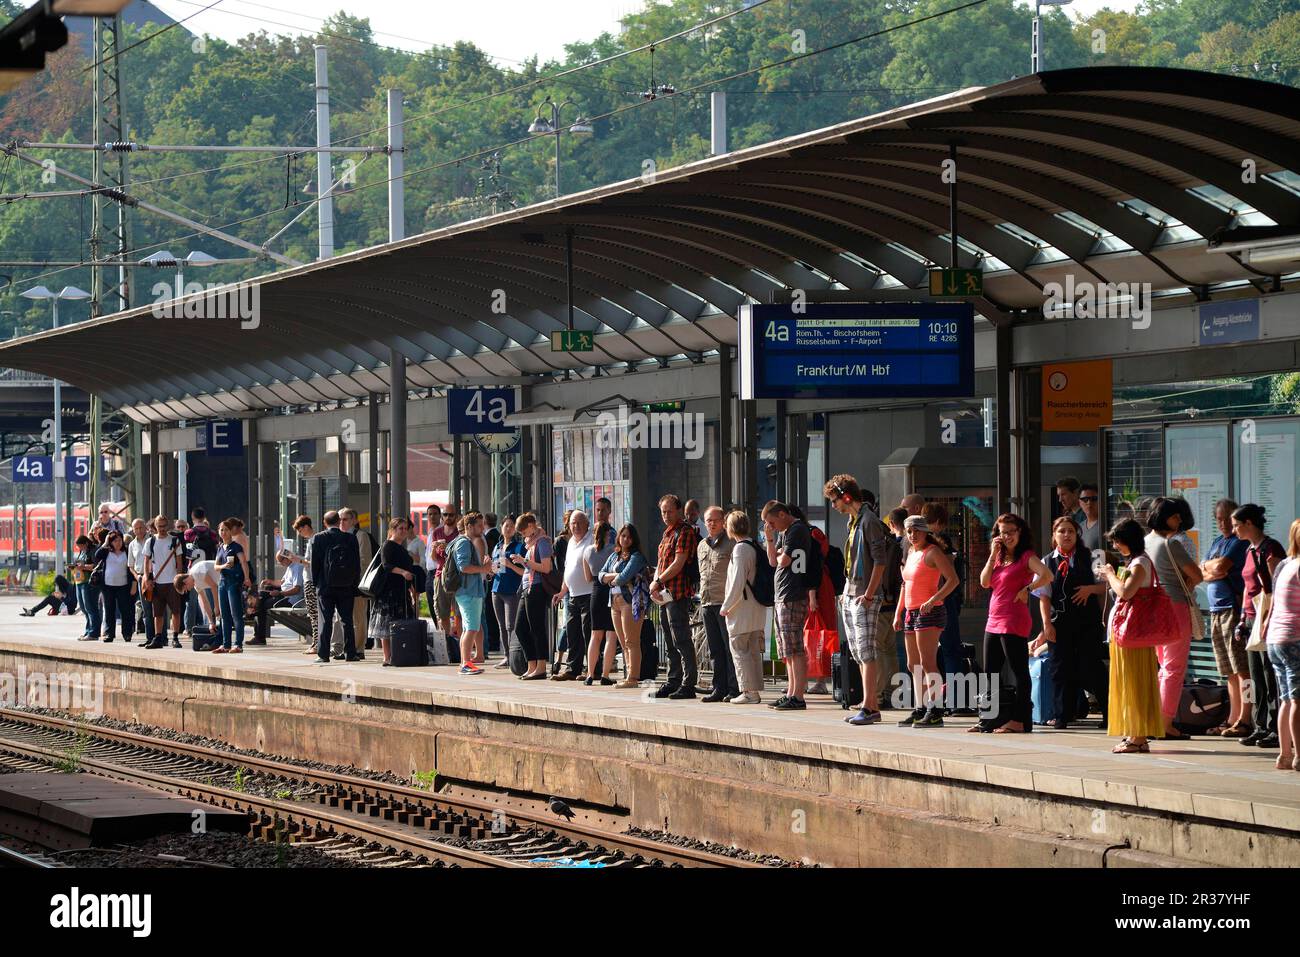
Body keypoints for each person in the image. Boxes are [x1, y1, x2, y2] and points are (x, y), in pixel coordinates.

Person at [975, 513, 1051, 733]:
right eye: (1003, 533)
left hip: (1013, 619)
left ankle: (1020, 719)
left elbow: (1047, 575)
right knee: (991, 672)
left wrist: (1027, 589)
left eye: (1011, 532)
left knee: (1019, 671)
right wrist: (992, 555)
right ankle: (992, 718)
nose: (1007, 536)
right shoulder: (998, 558)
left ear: (1020, 533)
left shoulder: (1026, 556)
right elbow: (984, 582)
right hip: (994, 619)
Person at [1031, 517, 1109, 729]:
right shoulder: (1046, 562)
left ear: (1077, 535)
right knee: (1060, 668)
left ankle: (1109, 713)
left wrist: (1089, 590)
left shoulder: (1094, 556)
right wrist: (1046, 625)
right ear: (1054, 536)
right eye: (1062, 531)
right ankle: (1062, 715)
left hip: (1088, 621)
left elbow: (1107, 585)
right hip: (1060, 622)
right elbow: (1044, 597)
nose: (1066, 535)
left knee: (1091, 667)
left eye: (1071, 532)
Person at [826, 474, 887, 726]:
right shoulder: (855, 520)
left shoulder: (868, 521)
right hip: (852, 593)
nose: (833, 506)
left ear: (846, 497)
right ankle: (867, 703)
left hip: (864, 595)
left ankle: (871, 705)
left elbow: (880, 561)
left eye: (835, 500)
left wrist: (870, 593)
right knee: (858, 652)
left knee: (866, 650)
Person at [1101, 518, 1165, 754]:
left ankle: (1138, 736)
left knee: (1135, 683)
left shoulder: (1139, 563)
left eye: (1117, 542)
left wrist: (1109, 575)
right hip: (1125, 633)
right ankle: (1134, 734)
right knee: (1127, 683)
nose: (1115, 546)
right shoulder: (1132, 563)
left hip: (1133, 634)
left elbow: (1126, 592)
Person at [1145, 497, 1203, 740]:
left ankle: (1156, 718)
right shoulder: (1172, 545)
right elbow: (1197, 575)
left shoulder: (1144, 542)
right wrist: (1189, 583)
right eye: (1175, 516)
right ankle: (1165, 723)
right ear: (1163, 517)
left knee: (1162, 666)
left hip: (1153, 609)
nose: (1179, 520)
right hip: (1176, 607)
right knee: (1174, 668)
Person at [895, 515, 960, 727]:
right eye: (909, 531)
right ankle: (920, 707)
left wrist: (933, 599)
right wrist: (899, 613)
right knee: (912, 664)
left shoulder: (933, 552)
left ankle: (935, 709)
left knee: (927, 662)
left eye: (917, 531)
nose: (913, 535)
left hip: (929, 612)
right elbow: (905, 585)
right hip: (911, 612)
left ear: (925, 531)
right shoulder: (911, 552)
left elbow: (953, 580)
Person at [1233, 503, 1285, 750]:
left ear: (1249, 524)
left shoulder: (1271, 549)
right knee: (1256, 676)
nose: (1234, 531)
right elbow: (1247, 587)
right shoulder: (1249, 550)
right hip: (1253, 616)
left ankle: (1275, 728)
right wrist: (1243, 618)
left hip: (1268, 616)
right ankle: (1260, 725)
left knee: (1269, 673)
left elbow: (1277, 588)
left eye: (1236, 525)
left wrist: (1268, 619)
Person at [1200, 498, 1252, 737]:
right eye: (1218, 519)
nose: (1222, 523)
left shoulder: (1238, 543)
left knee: (1242, 668)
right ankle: (1232, 716)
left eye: (1226, 518)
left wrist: (1212, 569)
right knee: (1228, 669)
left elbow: (1220, 567)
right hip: (1215, 610)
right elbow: (1202, 570)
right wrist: (1212, 569)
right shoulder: (1218, 541)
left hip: (1233, 609)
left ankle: (1247, 717)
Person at [761, 500, 813, 711]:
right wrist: (771, 541)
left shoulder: (797, 530)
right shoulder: (785, 533)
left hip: (793, 593)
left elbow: (783, 561)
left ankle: (798, 695)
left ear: (782, 514)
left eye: (772, 522)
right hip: (783, 594)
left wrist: (781, 551)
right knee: (787, 649)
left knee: (794, 647)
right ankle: (792, 691)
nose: (771, 527)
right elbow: (773, 561)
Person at [652, 494, 701, 699]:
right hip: (664, 594)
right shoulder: (666, 534)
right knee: (669, 640)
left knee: (681, 639)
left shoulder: (685, 532)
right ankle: (673, 680)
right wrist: (655, 583)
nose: (666, 515)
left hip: (678, 593)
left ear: (679, 510)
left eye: (670, 511)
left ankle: (688, 683)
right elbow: (661, 562)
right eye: (663, 511)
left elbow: (678, 563)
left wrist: (659, 581)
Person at [1261, 518, 1300, 772]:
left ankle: (1284, 755)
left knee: (1286, 698)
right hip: (1295, 637)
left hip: (1276, 638)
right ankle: (1299, 756)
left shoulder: (1285, 564)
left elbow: (1273, 602)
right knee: (1298, 699)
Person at [923, 501, 966, 709]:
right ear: (940, 522)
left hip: (920, 602)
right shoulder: (942, 543)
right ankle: (955, 700)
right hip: (943, 600)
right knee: (951, 650)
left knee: (925, 656)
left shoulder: (916, 544)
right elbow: (952, 576)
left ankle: (927, 702)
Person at [718, 510, 765, 704]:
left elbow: (737, 582)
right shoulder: (755, 545)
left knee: (739, 649)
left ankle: (748, 690)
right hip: (756, 606)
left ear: (730, 527)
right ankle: (755, 690)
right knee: (753, 651)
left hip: (741, 608)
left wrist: (726, 606)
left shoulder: (739, 550)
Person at [599, 523, 649, 689]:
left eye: (629, 536)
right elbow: (600, 575)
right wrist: (614, 576)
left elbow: (624, 576)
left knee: (631, 640)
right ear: (618, 537)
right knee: (622, 641)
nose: (626, 539)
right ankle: (628, 674)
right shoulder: (615, 556)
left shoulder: (636, 557)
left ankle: (633, 677)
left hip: (630, 601)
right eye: (623, 536)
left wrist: (612, 578)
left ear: (633, 539)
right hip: (614, 601)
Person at [696, 506, 737, 701]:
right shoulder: (702, 545)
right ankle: (718, 688)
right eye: (708, 520)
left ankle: (733, 687)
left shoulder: (731, 543)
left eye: (715, 520)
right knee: (714, 649)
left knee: (729, 648)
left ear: (723, 522)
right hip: (707, 601)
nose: (711, 524)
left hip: (724, 602)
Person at [310, 509, 362, 663]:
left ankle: (323, 655)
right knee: (347, 620)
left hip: (325, 586)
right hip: (346, 586)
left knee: (325, 620)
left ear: (325, 522)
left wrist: (316, 584)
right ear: (339, 521)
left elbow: (315, 564)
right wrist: (354, 583)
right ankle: (351, 654)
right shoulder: (350, 538)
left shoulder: (318, 538)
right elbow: (356, 564)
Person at [509, 513, 554, 679]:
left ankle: (541, 666)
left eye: (523, 531)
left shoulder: (542, 542)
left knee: (536, 628)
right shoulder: (531, 543)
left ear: (531, 525)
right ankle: (532, 664)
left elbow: (546, 567)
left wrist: (524, 561)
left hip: (537, 587)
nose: (522, 535)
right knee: (520, 628)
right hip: (527, 587)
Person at [451, 512, 493, 675]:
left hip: (468, 590)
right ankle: (466, 664)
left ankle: (465, 661)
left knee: (469, 627)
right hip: (469, 591)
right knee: (472, 627)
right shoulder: (464, 543)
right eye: (479, 525)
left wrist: (484, 567)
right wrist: (483, 569)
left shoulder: (463, 542)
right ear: (468, 527)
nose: (482, 528)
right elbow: (464, 567)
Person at [372, 518, 417, 667]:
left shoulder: (402, 548)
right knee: (387, 625)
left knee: (400, 623)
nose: (404, 531)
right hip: (388, 591)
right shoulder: (388, 545)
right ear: (392, 530)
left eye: (405, 529)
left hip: (401, 591)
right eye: (400, 529)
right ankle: (387, 657)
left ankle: (399, 654)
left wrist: (411, 588)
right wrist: (403, 572)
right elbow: (387, 565)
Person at [584, 520, 620, 686]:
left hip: (596, 592)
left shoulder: (587, 552)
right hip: (611, 589)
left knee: (595, 635)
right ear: (608, 534)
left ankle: (590, 674)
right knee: (610, 636)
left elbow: (588, 578)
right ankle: (605, 674)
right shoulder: (614, 551)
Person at [144, 516, 186, 649]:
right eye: (159, 526)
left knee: (176, 611)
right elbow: (146, 562)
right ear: (155, 526)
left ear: (167, 526)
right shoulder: (150, 542)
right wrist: (147, 579)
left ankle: (175, 637)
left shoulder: (174, 540)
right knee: (158, 613)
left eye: (163, 526)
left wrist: (179, 579)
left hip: (172, 582)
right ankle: (158, 637)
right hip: (157, 582)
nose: (161, 529)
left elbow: (179, 562)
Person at [491, 515, 526, 669]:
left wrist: (511, 565)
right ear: (501, 527)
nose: (509, 528)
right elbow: (495, 569)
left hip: (512, 590)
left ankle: (515, 657)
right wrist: (489, 569)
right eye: (506, 526)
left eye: (512, 526)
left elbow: (524, 571)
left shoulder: (518, 547)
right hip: (496, 589)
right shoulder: (497, 546)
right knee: (501, 625)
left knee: (510, 625)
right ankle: (506, 656)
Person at [339, 508, 375, 656]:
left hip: (356, 584)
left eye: (345, 519)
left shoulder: (361, 536)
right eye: (340, 519)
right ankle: (345, 647)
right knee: (341, 618)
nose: (342, 522)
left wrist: (359, 584)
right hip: (341, 585)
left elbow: (364, 561)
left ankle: (359, 648)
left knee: (358, 617)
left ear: (354, 520)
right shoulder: (338, 536)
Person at [213, 519, 251, 654]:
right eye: (221, 530)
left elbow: (243, 562)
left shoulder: (236, 547)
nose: (223, 533)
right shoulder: (220, 548)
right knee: (224, 615)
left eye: (226, 530)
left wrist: (246, 578)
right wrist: (223, 566)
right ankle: (226, 644)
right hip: (222, 582)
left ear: (230, 532)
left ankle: (238, 644)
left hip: (234, 582)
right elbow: (215, 566)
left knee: (236, 614)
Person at [250, 552, 304, 641]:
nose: (280, 564)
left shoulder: (297, 567)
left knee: (262, 605)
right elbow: (283, 583)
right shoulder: (290, 567)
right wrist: (270, 582)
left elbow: (296, 589)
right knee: (260, 597)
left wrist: (279, 593)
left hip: (291, 599)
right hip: (284, 594)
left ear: (287, 558)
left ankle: (259, 636)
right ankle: (258, 634)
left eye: (280, 561)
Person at [94, 529, 135, 643]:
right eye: (115, 541)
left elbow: (132, 568)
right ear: (111, 542)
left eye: (119, 540)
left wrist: (133, 584)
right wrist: (105, 543)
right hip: (108, 586)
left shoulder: (126, 551)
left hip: (123, 586)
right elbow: (96, 556)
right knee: (109, 610)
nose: (118, 543)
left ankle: (127, 633)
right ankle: (109, 634)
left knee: (125, 610)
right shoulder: (106, 551)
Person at [427, 505, 460, 641]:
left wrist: (448, 548)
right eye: (445, 515)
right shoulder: (437, 532)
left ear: (456, 516)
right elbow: (434, 558)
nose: (448, 517)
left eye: (451, 515)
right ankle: (448, 643)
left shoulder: (460, 533)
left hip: (457, 576)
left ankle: (460, 645)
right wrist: (434, 549)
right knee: (442, 612)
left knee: (459, 613)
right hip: (440, 574)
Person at [127, 518, 158, 645]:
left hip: (154, 576)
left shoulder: (152, 540)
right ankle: (149, 638)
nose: (139, 530)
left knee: (158, 608)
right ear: (133, 530)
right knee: (146, 610)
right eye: (136, 528)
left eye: (141, 527)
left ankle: (161, 637)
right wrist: (137, 577)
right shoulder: (132, 545)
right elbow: (130, 565)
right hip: (141, 578)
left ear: (145, 527)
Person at [291, 515, 320, 654]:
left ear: (306, 527)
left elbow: (311, 563)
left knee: (313, 614)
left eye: (300, 530)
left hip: (310, 580)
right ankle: (317, 643)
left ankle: (316, 644)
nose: (299, 533)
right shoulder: (313, 540)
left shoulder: (314, 540)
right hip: (311, 579)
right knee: (314, 613)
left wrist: (298, 560)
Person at [174, 558, 223, 633]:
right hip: (222, 583)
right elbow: (205, 602)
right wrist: (211, 622)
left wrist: (216, 607)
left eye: (186, 589)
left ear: (185, 581)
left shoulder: (197, 573)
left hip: (228, 576)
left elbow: (213, 586)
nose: (188, 590)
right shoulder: (196, 585)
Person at [70, 534, 100, 641]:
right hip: (80, 581)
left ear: (86, 543)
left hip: (89, 582)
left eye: (81, 546)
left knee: (90, 607)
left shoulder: (93, 550)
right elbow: (80, 563)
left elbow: (96, 565)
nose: (80, 549)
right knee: (83, 607)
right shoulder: (82, 552)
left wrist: (83, 567)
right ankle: (88, 630)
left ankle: (94, 632)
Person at [1079, 483, 1103, 552]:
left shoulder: (1106, 525)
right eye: (1085, 499)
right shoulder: (1079, 528)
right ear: (1079, 502)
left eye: (1094, 499)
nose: (1089, 502)